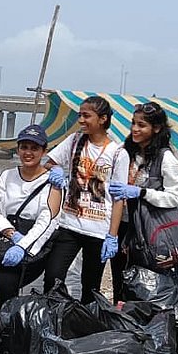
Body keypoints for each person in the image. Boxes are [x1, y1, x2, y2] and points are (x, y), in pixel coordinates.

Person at [41, 95, 128, 304]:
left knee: (90, 286)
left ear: (103, 119)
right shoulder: (74, 141)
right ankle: (53, 314)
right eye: (80, 115)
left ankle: (84, 321)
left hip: (98, 230)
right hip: (69, 225)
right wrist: (57, 170)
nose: (81, 120)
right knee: (53, 277)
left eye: (86, 116)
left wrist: (112, 235)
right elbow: (49, 162)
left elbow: (118, 198)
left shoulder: (118, 153)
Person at [106, 102, 178, 302]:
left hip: (147, 230)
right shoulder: (127, 152)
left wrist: (141, 192)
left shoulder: (165, 158)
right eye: (133, 123)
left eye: (141, 125)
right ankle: (119, 315)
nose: (135, 129)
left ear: (156, 128)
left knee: (144, 283)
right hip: (123, 225)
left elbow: (174, 197)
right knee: (120, 279)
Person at [0, 124, 61, 310]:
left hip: (35, 244)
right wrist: (12, 234)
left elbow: (48, 219)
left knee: (19, 294)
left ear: (44, 151)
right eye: (24, 147)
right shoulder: (7, 175)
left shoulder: (51, 182)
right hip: (6, 240)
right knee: (1, 292)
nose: (28, 153)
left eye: (34, 148)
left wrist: (23, 245)